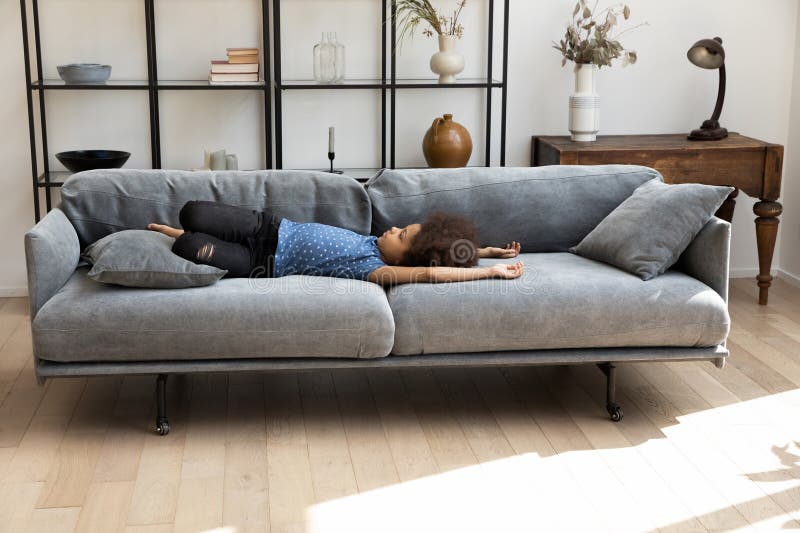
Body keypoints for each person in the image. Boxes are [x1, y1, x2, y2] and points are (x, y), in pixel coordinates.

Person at [147, 200, 524, 286]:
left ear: (410, 257)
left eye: (401, 236)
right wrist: (485, 250)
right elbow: (441, 254)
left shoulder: (375, 270)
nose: (392, 229)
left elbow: (431, 272)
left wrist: (490, 271)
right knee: (192, 211)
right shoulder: (372, 241)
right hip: (267, 226)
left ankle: (178, 237)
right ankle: (182, 229)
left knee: (189, 246)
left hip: (258, 262)